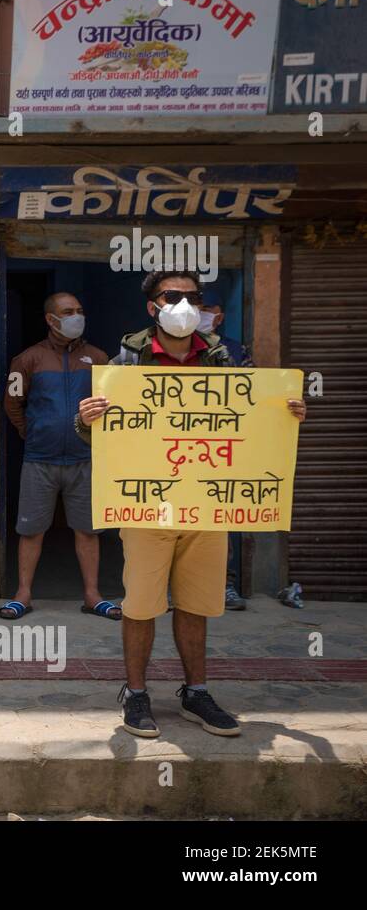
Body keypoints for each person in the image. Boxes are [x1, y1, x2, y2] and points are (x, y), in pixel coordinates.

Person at [77, 270, 306, 740]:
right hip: (147, 506)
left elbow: (252, 422)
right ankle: (136, 694)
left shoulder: (225, 358)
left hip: (207, 507)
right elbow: (98, 436)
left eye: (192, 297)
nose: (183, 304)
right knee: (140, 605)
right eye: (172, 296)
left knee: (197, 603)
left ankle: (195, 691)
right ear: (152, 307)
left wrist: (286, 414)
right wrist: (86, 420)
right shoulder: (128, 359)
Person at [1, 293, 115, 621]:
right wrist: (31, 432)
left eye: (80, 311)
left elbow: (109, 403)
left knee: (88, 530)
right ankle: (23, 593)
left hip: (84, 458)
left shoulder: (98, 358)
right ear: (51, 319)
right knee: (31, 529)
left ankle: (92, 595)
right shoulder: (28, 359)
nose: (76, 316)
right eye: (68, 312)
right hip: (40, 459)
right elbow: (12, 403)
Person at [199, 290, 253, 610]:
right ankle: (170, 586)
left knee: (220, 521)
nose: (202, 314)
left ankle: (224, 584)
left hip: (221, 449)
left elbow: (253, 393)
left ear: (220, 316)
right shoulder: (177, 348)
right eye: (198, 308)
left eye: (208, 309)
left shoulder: (234, 350)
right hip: (175, 452)